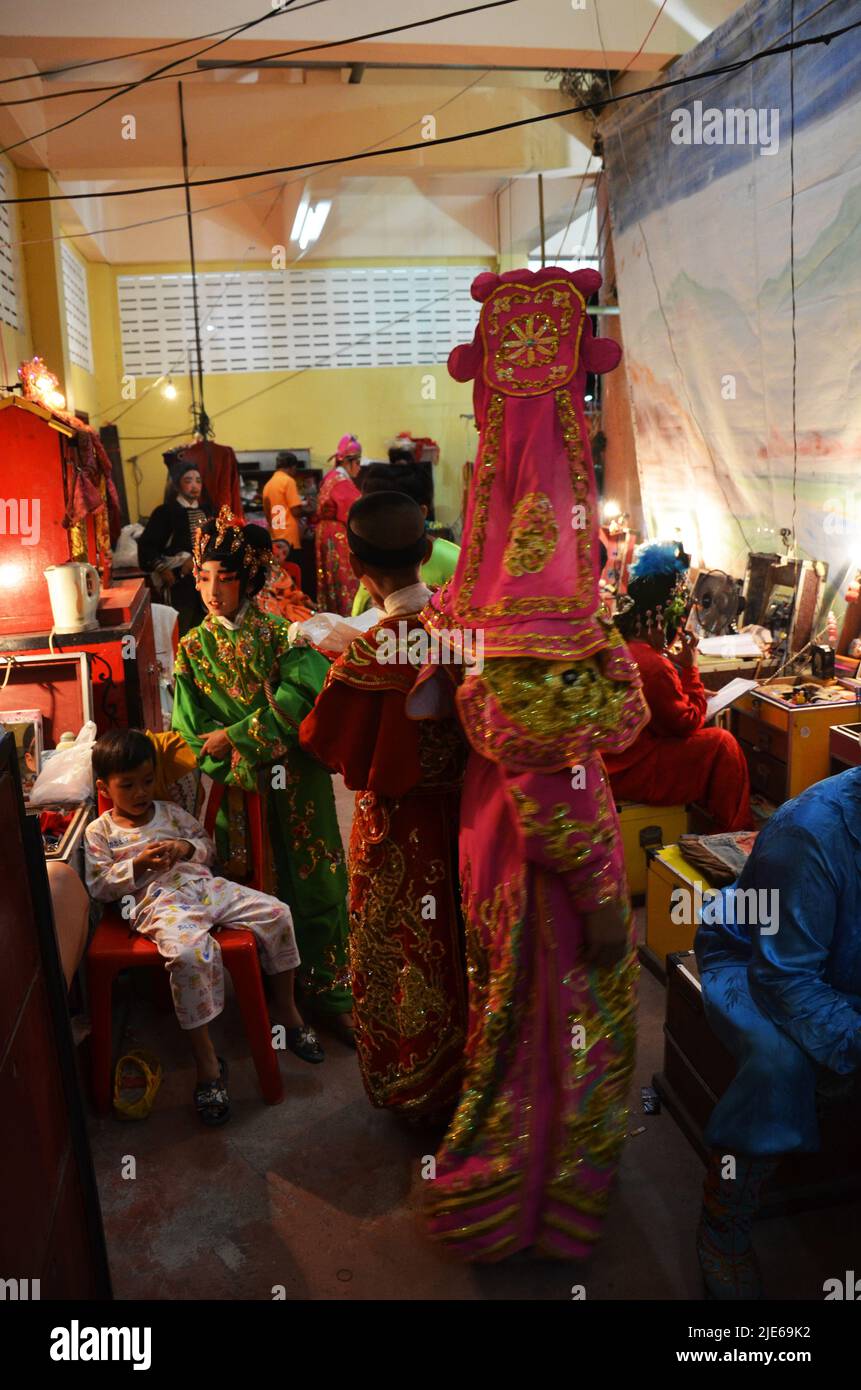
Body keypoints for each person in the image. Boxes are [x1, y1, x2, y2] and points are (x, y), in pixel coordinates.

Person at [413, 266, 649, 1260]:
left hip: (496, 846)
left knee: (518, 1028)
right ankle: (525, 1211)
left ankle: (516, 1200)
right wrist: (601, 885)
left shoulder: (491, 555)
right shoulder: (536, 582)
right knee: (567, 1034)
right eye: (578, 403)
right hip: (548, 864)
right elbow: (552, 766)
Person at [300, 491, 468, 1120]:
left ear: (353, 562)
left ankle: (417, 1086)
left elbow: (325, 742)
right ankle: (476, 1080)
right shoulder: (461, 630)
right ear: (428, 552)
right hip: (472, 820)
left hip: (398, 827)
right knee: (465, 939)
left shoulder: (371, 650)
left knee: (404, 945)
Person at [171, 507, 355, 1047]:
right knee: (253, 890)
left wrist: (238, 737)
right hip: (241, 791)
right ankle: (273, 1003)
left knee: (316, 884)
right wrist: (236, 753)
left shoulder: (285, 636)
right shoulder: (191, 649)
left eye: (224, 579)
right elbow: (190, 734)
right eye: (203, 578)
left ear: (247, 581)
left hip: (297, 784)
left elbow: (304, 703)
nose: (211, 591)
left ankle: (332, 996)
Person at [85, 728, 321, 1126]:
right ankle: (208, 1063)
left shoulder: (171, 813)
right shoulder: (100, 832)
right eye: (127, 785)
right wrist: (138, 865)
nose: (140, 792)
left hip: (206, 887)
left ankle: (287, 1009)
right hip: (161, 904)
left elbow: (206, 846)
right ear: (104, 786)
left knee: (277, 913)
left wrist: (184, 849)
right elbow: (99, 885)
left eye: (146, 780)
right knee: (190, 955)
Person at [694, 768, 861, 1298]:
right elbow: (786, 979)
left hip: (840, 964)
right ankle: (725, 1219)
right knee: (778, 1064)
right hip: (756, 961)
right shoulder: (811, 831)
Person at [604, 542, 753, 832]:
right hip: (631, 769)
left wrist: (682, 686)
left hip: (611, 762)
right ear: (663, 619)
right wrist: (690, 670)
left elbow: (658, 709)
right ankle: (732, 835)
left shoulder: (618, 645)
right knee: (723, 745)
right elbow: (684, 724)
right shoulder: (652, 665)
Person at [350, 461, 460, 618]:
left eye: (390, 517)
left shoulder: (455, 562)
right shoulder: (370, 558)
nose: (378, 528)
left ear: (421, 513)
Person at [138, 456, 213, 635]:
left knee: (205, 627)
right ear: (178, 485)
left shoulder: (208, 510)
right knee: (182, 628)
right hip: (180, 581)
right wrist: (163, 569)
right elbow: (147, 546)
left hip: (205, 580)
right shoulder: (165, 512)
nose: (194, 485)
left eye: (198, 481)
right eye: (188, 481)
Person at [315, 434, 362, 614]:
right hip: (337, 535)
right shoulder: (341, 482)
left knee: (331, 578)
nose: (359, 467)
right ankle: (348, 615)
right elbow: (354, 511)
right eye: (358, 462)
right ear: (349, 461)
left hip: (326, 533)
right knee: (345, 579)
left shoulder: (330, 477)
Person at [262, 451, 304, 560]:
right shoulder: (288, 481)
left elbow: (267, 515)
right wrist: (309, 510)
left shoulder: (268, 485)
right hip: (290, 540)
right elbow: (296, 511)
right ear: (292, 466)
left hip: (276, 539)